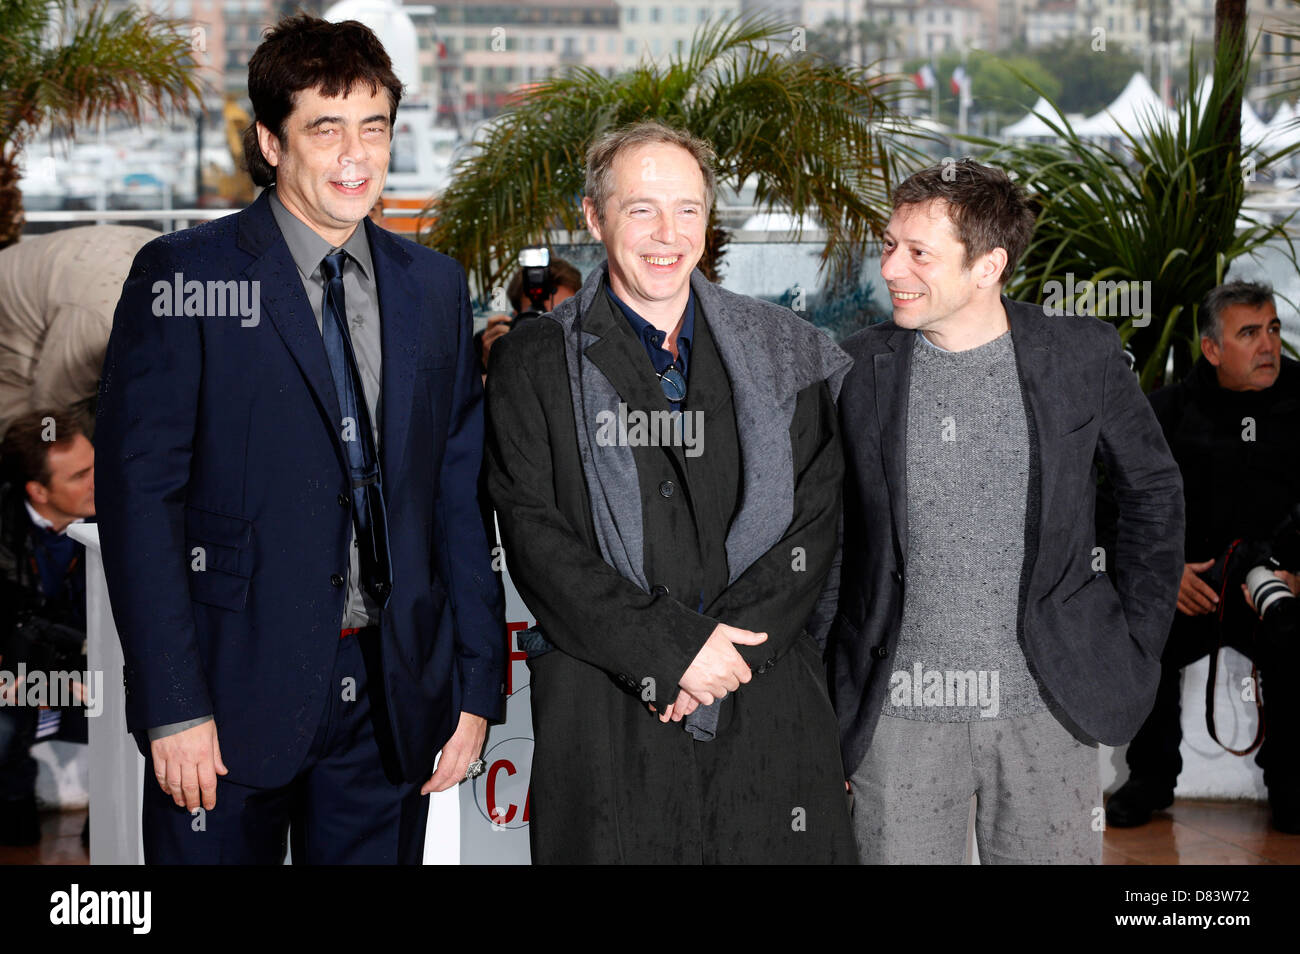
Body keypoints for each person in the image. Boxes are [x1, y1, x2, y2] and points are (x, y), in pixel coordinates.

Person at [93, 14, 504, 864]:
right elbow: (140, 506)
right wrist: (172, 704)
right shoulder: (185, 276)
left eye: (374, 127)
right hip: (226, 700)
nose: (356, 153)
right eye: (326, 127)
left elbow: (457, 502)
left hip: (389, 701)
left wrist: (474, 688)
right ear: (273, 145)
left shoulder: (433, 286)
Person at [485, 120, 856, 864]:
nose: (668, 234)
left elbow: (815, 527)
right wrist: (676, 653)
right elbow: (534, 536)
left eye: (687, 209)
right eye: (641, 208)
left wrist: (725, 655)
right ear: (594, 218)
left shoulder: (789, 347)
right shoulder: (534, 359)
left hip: (768, 702)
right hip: (608, 711)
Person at [830, 159, 1184, 864]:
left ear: (988, 265)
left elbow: (1152, 493)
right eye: (890, 242)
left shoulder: (1080, 356)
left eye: (919, 252)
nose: (891, 267)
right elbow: (832, 537)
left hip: (1047, 705)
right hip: (897, 715)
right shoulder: (854, 368)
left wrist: (1137, 637)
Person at [1107, 281, 1300, 833]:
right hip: (1190, 586)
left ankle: (1290, 782)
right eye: (1249, 334)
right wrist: (1160, 576)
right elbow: (1112, 503)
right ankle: (1149, 779)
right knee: (1145, 626)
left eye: (1273, 329)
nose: (1269, 346)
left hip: (1273, 588)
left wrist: (1298, 576)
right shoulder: (1164, 412)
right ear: (1212, 350)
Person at [0, 409, 95, 846]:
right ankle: (15, 819)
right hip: (21, 673)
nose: (97, 481)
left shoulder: (126, 512)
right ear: (38, 490)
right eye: (80, 475)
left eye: (96, 465)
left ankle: (115, 827)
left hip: (93, 667)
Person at [0, 225, 158, 438]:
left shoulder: (203, 290)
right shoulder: (104, 321)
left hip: (74, 281)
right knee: (34, 436)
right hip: (13, 314)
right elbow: (54, 408)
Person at [475, 256, 581, 375]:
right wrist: (496, 367)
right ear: (517, 319)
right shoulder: (489, 348)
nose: (549, 328)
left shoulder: (591, 352)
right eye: (536, 316)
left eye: (564, 315)